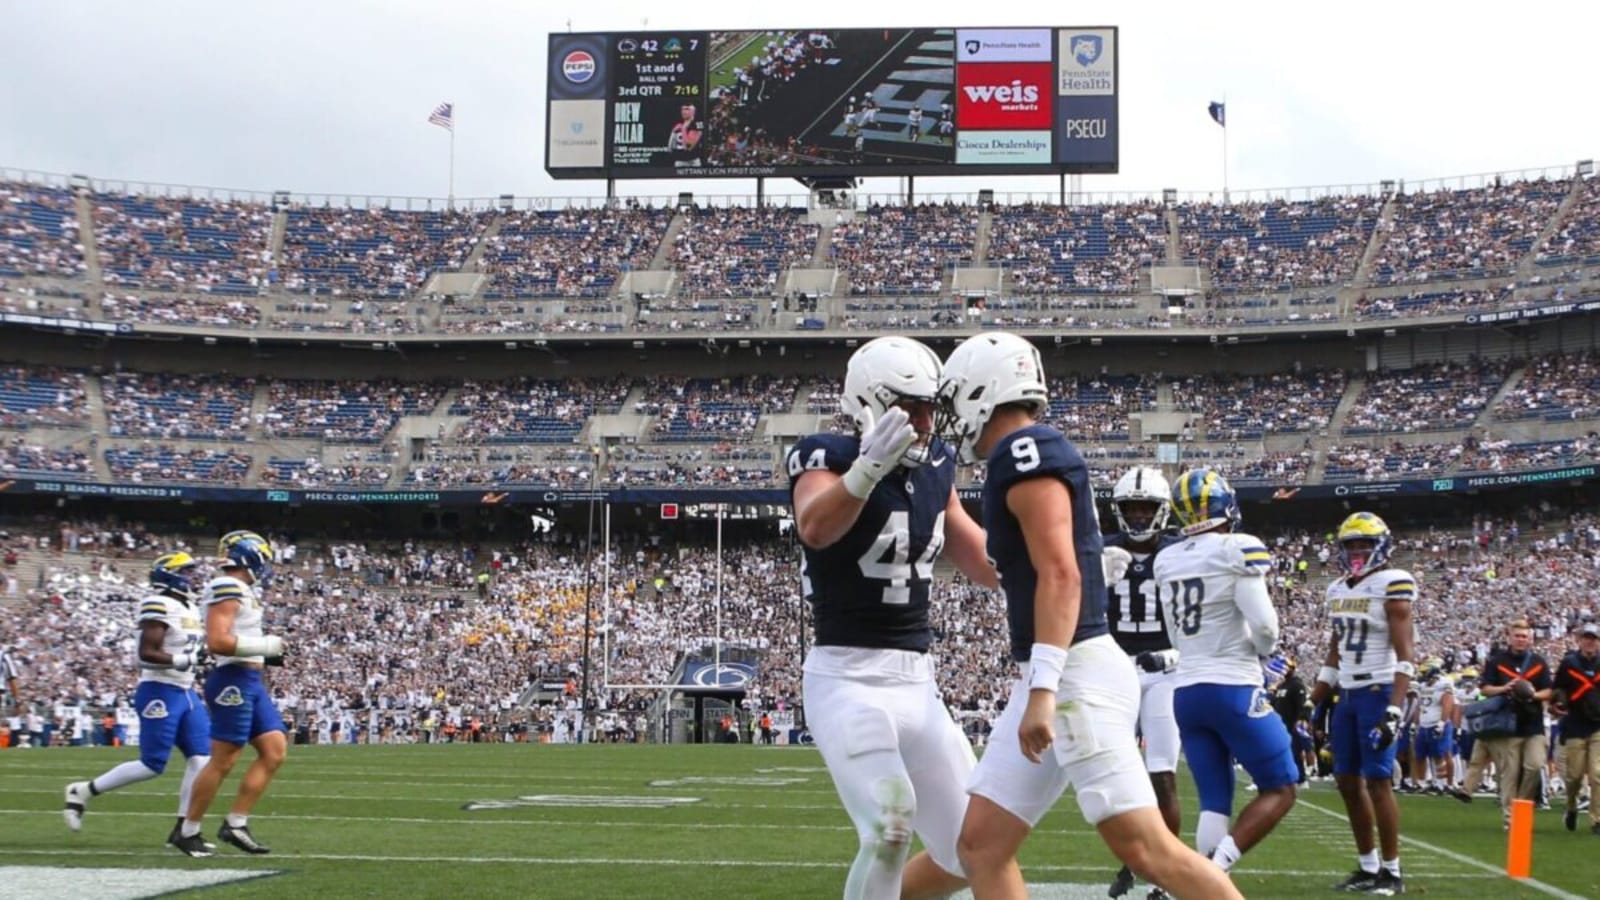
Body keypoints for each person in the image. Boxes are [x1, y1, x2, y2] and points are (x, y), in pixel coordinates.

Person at [936, 332, 1241, 900]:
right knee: (980, 844)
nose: (953, 416)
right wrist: (946, 506)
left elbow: (1062, 574)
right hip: (1055, 671)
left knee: (1147, 849)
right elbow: (1010, 569)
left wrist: (1045, 689)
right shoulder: (1022, 456)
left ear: (985, 389)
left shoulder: (1025, 452)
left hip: (1072, 673)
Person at [788, 335, 998, 900]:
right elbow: (814, 526)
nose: (926, 422)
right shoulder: (825, 455)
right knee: (890, 826)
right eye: (912, 407)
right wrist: (865, 471)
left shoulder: (936, 464)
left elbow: (977, 556)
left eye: (931, 407)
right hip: (847, 679)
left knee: (974, 847)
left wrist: (1056, 568)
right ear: (870, 402)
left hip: (918, 682)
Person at [1154, 468, 1298, 876]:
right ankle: (1212, 873)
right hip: (1232, 685)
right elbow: (1266, 626)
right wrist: (1263, 653)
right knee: (1283, 786)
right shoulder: (1238, 547)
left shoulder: (1167, 559)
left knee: (1215, 801)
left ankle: (1207, 880)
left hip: (1187, 692)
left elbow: (1173, 631)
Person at [64, 552, 215, 851]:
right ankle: (83, 790)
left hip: (185, 692)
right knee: (152, 764)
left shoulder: (190, 607)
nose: (193, 577)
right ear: (169, 575)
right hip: (160, 690)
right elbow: (146, 653)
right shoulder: (158, 603)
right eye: (186, 571)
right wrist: (186, 659)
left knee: (202, 760)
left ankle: (184, 830)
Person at [1307, 512, 1416, 895]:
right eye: (1350, 544)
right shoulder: (1337, 589)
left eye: (1364, 544)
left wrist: (1394, 709)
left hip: (1378, 691)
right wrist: (1313, 699)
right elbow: (1335, 653)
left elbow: (1405, 655)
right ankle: (1368, 866)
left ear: (1380, 546)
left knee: (1378, 781)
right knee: (1346, 781)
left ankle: (1393, 870)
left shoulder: (1392, 583)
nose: (1356, 551)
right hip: (1347, 694)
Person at [174, 530, 289, 858]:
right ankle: (188, 830)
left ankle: (236, 823)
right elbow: (217, 642)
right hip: (232, 681)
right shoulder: (226, 586)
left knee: (275, 749)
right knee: (224, 759)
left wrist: (266, 652)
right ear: (250, 555)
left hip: (249, 679)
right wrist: (266, 646)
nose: (265, 565)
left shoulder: (242, 590)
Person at [1102, 466, 1185, 900]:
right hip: (1115, 669)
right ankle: (1132, 859)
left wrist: (1175, 653)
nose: (1136, 516)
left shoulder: (1181, 553)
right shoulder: (1100, 549)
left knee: (1162, 774)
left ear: (1161, 512)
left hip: (1165, 672)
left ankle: (1164, 879)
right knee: (1115, 774)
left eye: (1144, 508)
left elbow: (1197, 621)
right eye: (1130, 508)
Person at [1479, 619, 1554, 828]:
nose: (1521, 640)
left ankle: (1522, 803)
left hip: (1533, 723)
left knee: (1535, 765)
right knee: (1509, 772)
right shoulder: (1497, 660)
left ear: (1530, 639)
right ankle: (1510, 817)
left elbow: (1549, 690)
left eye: (1524, 636)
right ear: (1509, 637)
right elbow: (1484, 688)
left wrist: (1532, 694)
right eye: (1517, 636)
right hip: (1508, 723)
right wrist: (1505, 688)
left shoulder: (1539, 661)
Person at [1553, 622, 1600, 834]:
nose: (1590, 642)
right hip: (1575, 724)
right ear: (1580, 640)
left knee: (1598, 773)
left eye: (1594, 638)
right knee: (1574, 776)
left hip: (1598, 724)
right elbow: (1558, 688)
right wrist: (1559, 703)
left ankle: (1596, 819)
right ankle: (1571, 806)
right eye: (1587, 638)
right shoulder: (1569, 663)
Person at [1410, 659, 1472, 801]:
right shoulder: (1422, 686)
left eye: (1425, 672)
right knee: (1419, 755)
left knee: (1443, 754)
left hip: (1437, 722)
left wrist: (1442, 723)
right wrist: (1415, 723)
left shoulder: (1443, 685)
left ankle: (1446, 783)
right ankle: (1422, 782)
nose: (1422, 675)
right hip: (1424, 723)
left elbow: (1447, 705)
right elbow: (1419, 705)